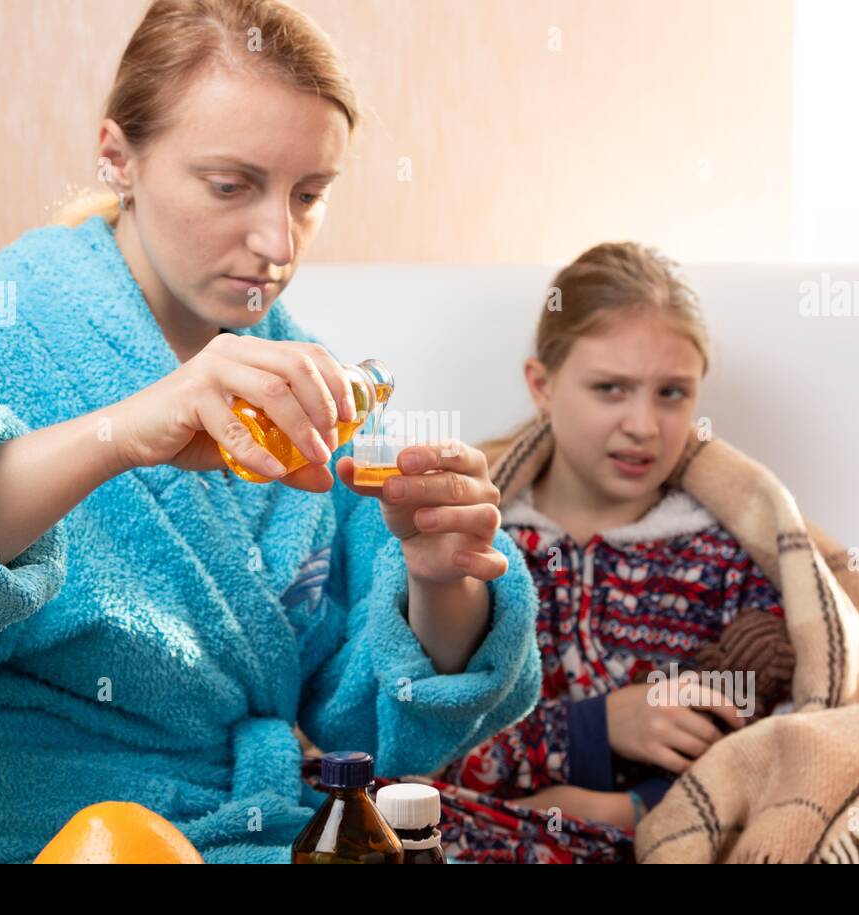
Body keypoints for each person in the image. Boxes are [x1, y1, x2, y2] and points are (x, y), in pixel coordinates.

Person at [0, 0, 541, 864]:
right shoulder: (3, 334)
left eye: (310, 195)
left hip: (244, 835)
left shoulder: (303, 388)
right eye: (231, 185)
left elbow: (371, 735)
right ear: (118, 158)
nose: (278, 241)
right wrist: (120, 435)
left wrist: (439, 582)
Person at [339, 242, 795, 863]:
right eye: (611, 388)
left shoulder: (725, 563)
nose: (644, 424)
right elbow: (410, 732)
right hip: (459, 834)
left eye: (672, 393)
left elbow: (775, 747)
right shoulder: (473, 544)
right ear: (543, 386)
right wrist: (596, 728)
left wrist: (631, 810)